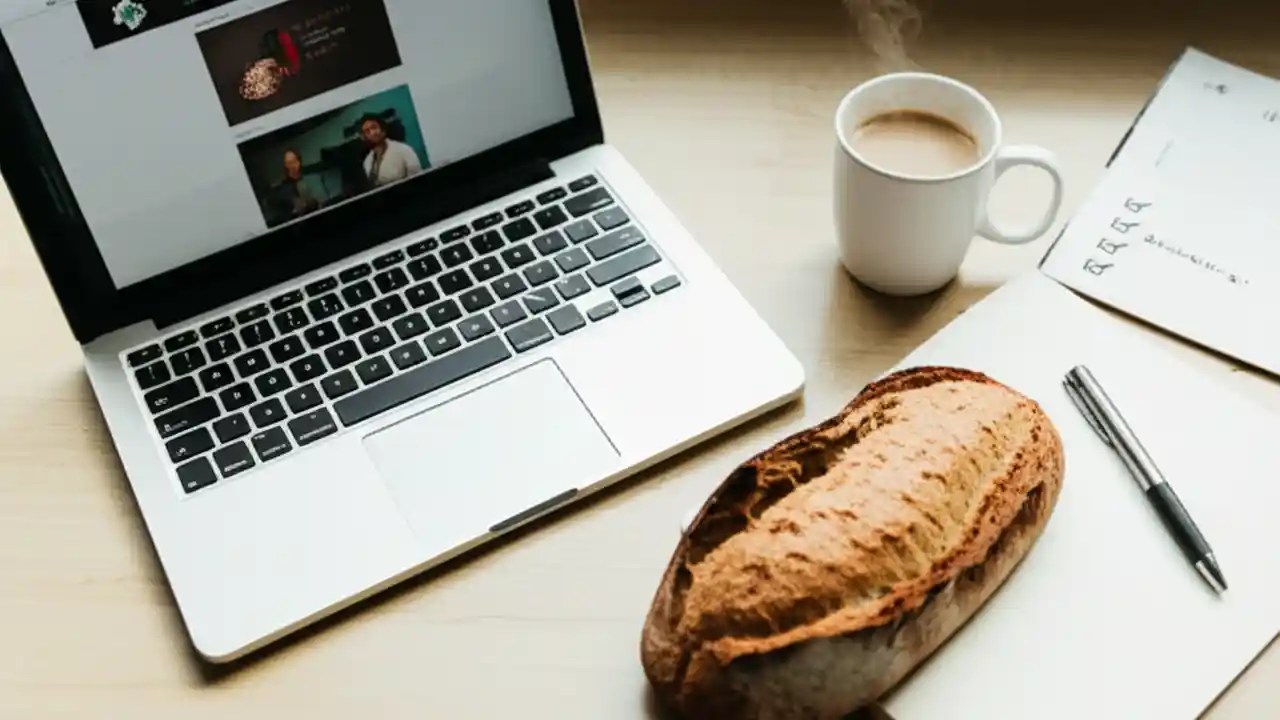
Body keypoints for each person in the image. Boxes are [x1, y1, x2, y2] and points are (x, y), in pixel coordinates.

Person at [359, 114, 423, 188]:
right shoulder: (367, 162)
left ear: (382, 130)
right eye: (367, 131)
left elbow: (418, 180)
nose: (372, 133)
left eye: (374, 127)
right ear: (364, 137)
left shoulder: (404, 150)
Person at [266, 149, 321, 224]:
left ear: (299, 162)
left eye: (294, 161)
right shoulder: (282, 187)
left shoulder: (310, 178)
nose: (292, 166)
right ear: (285, 165)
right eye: (289, 163)